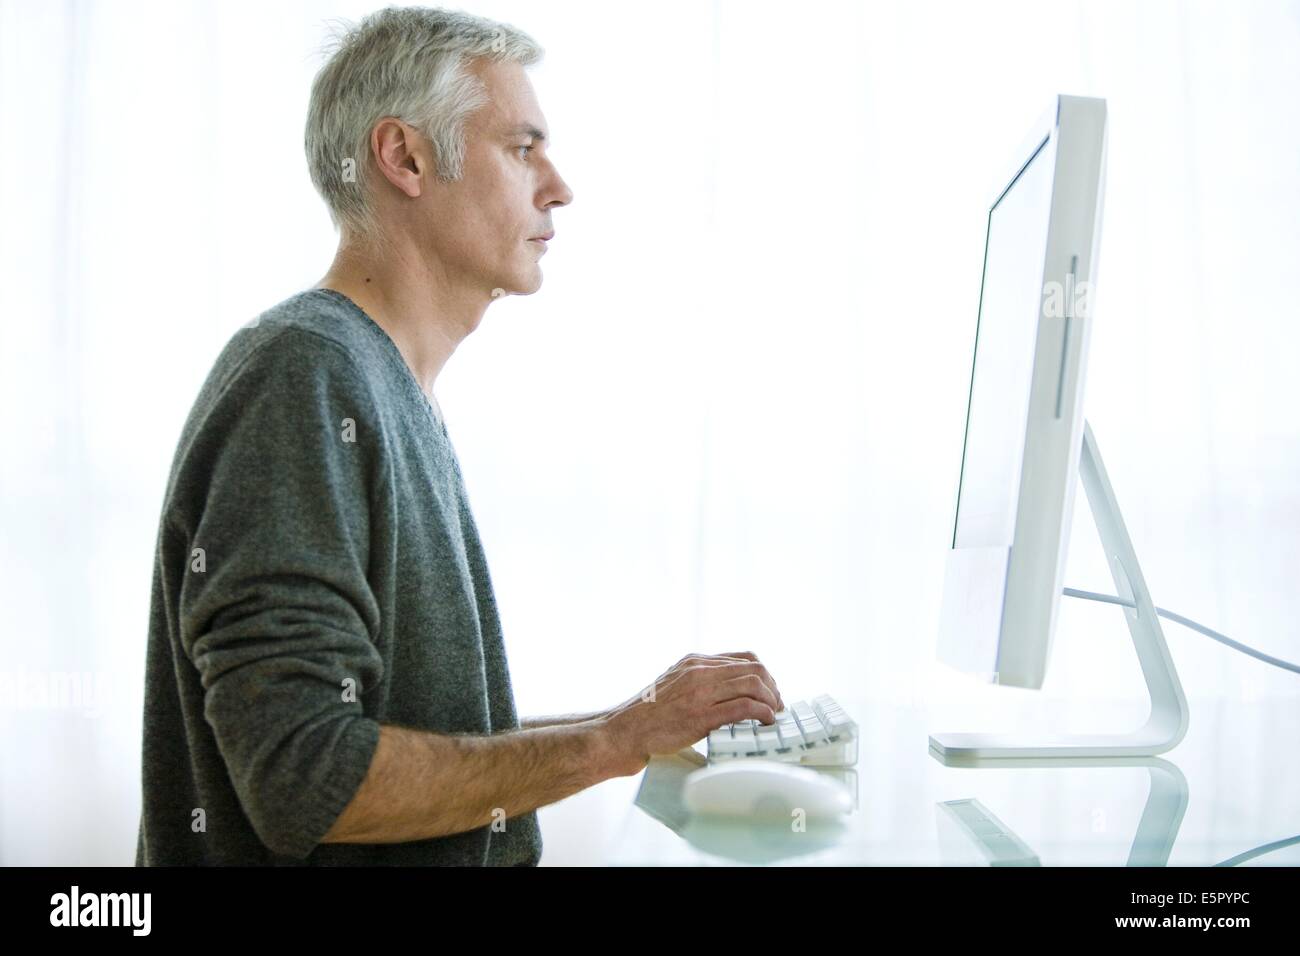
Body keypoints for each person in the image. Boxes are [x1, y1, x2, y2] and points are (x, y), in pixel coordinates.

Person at [136, 5, 783, 866]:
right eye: (522, 148)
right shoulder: (303, 377)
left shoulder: (380, 382)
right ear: (405, 157)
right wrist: (616, 741)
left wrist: (634, 724)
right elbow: (306, 774)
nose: (558, 186)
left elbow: (414, 734)